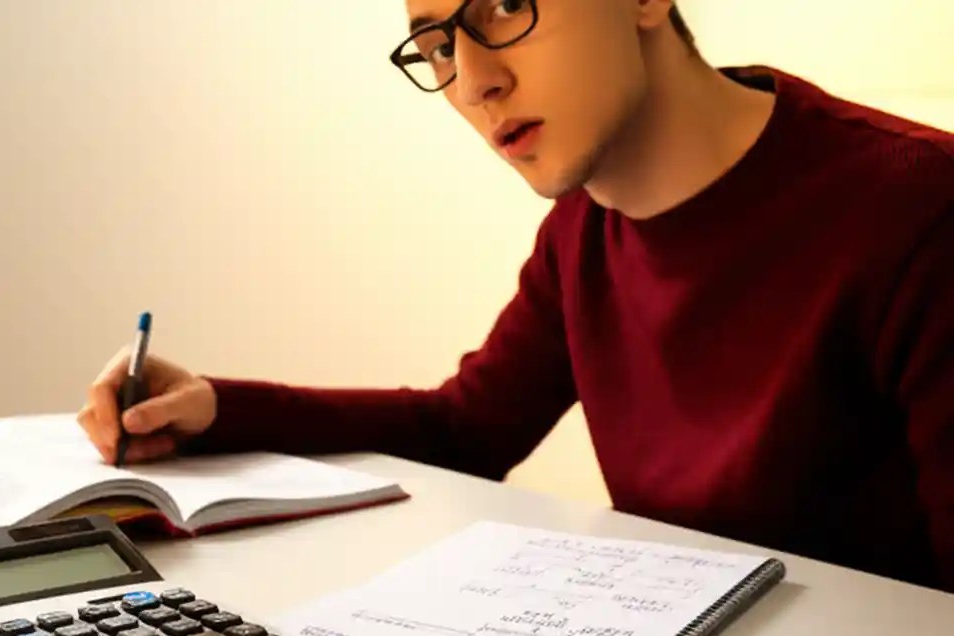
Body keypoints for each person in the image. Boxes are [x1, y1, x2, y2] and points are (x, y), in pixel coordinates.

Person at [78, 0, 954, 592]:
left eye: (504, 4)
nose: (474, 80)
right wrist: (217, 410)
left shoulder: (918, 207)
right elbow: (464, 429)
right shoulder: (582, 229)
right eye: (438, 45)